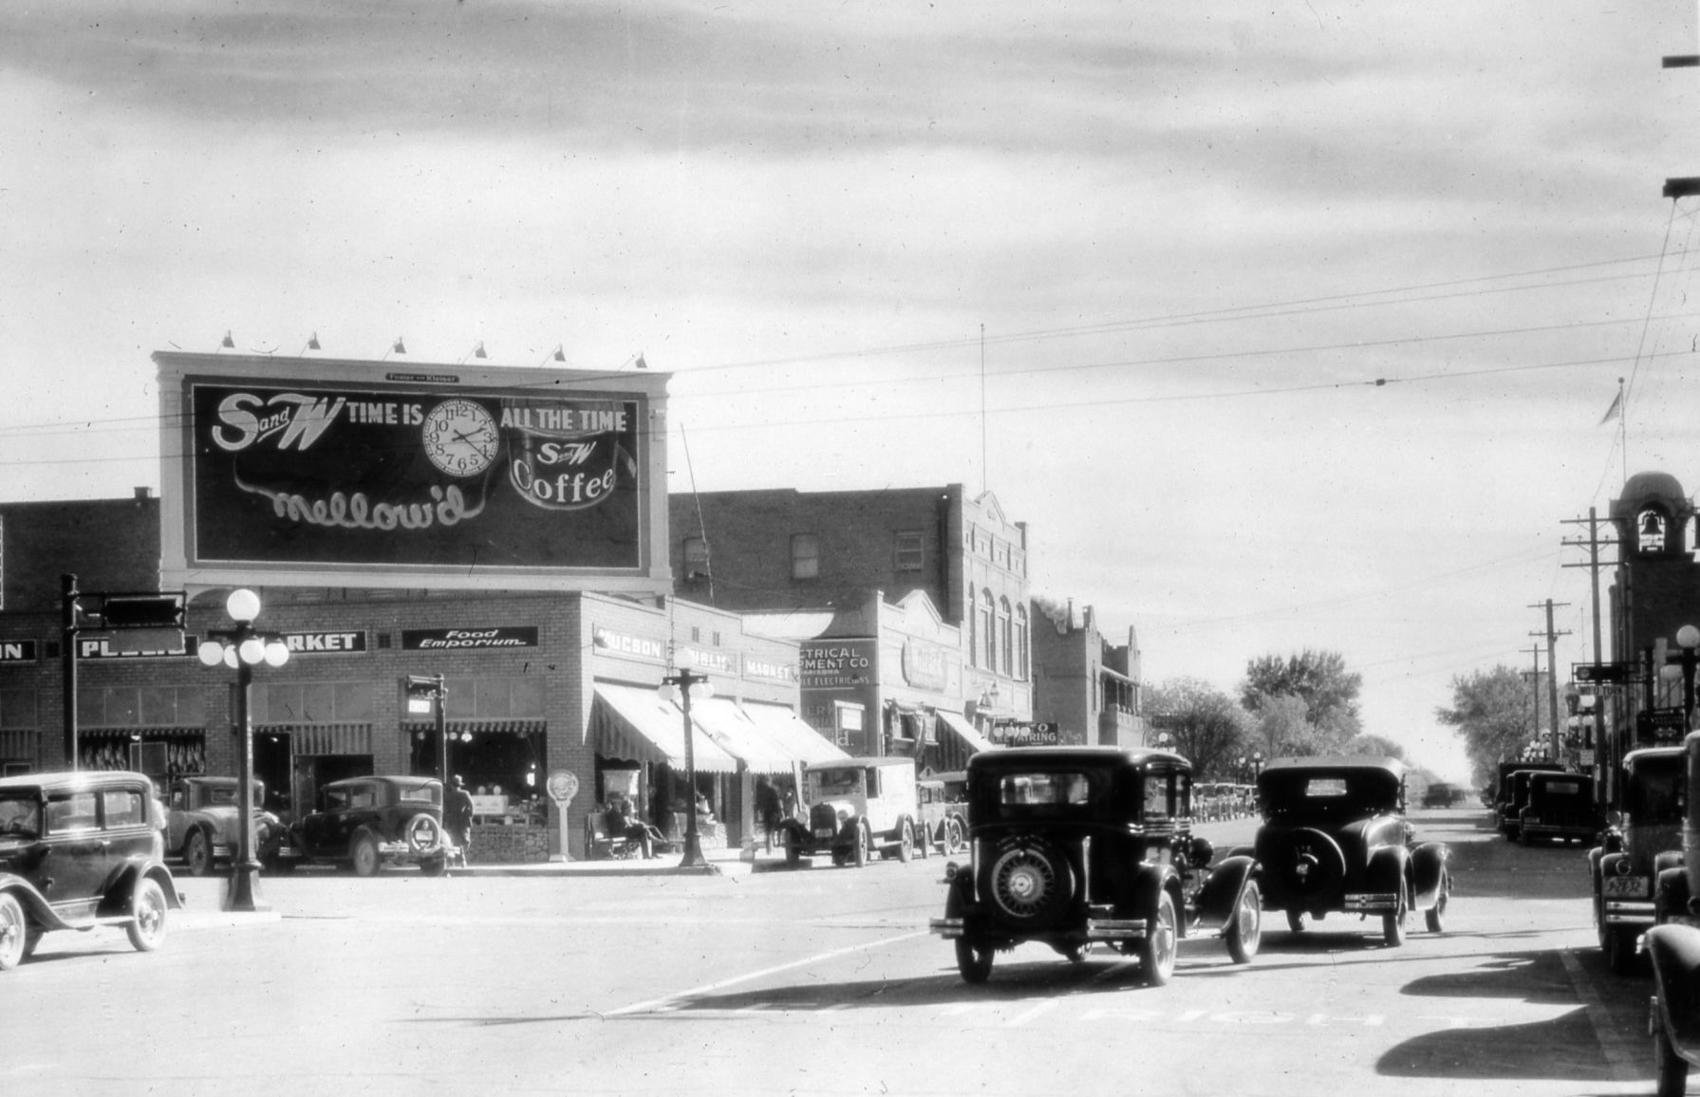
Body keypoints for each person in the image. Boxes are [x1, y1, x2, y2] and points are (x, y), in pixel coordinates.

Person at [445, 775, 475, 865]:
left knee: (454, 840)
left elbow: (445, 808)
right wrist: (470, 815)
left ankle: (455, 859)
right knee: (463, 840)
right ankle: (461, 859)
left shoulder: (448, 795)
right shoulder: (465, 793)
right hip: (462, 820)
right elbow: (472, 805)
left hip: (454, 820)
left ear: (452, 785)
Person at [755, 775, 782, 852]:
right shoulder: (771, 791)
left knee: (768, 830)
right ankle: (770, 847)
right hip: (773, 812)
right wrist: (779, 812)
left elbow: (760, 802)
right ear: (768, 781)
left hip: (766, 812)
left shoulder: (763, 792)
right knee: (771, 830)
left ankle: (769, 847)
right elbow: (776, 803)